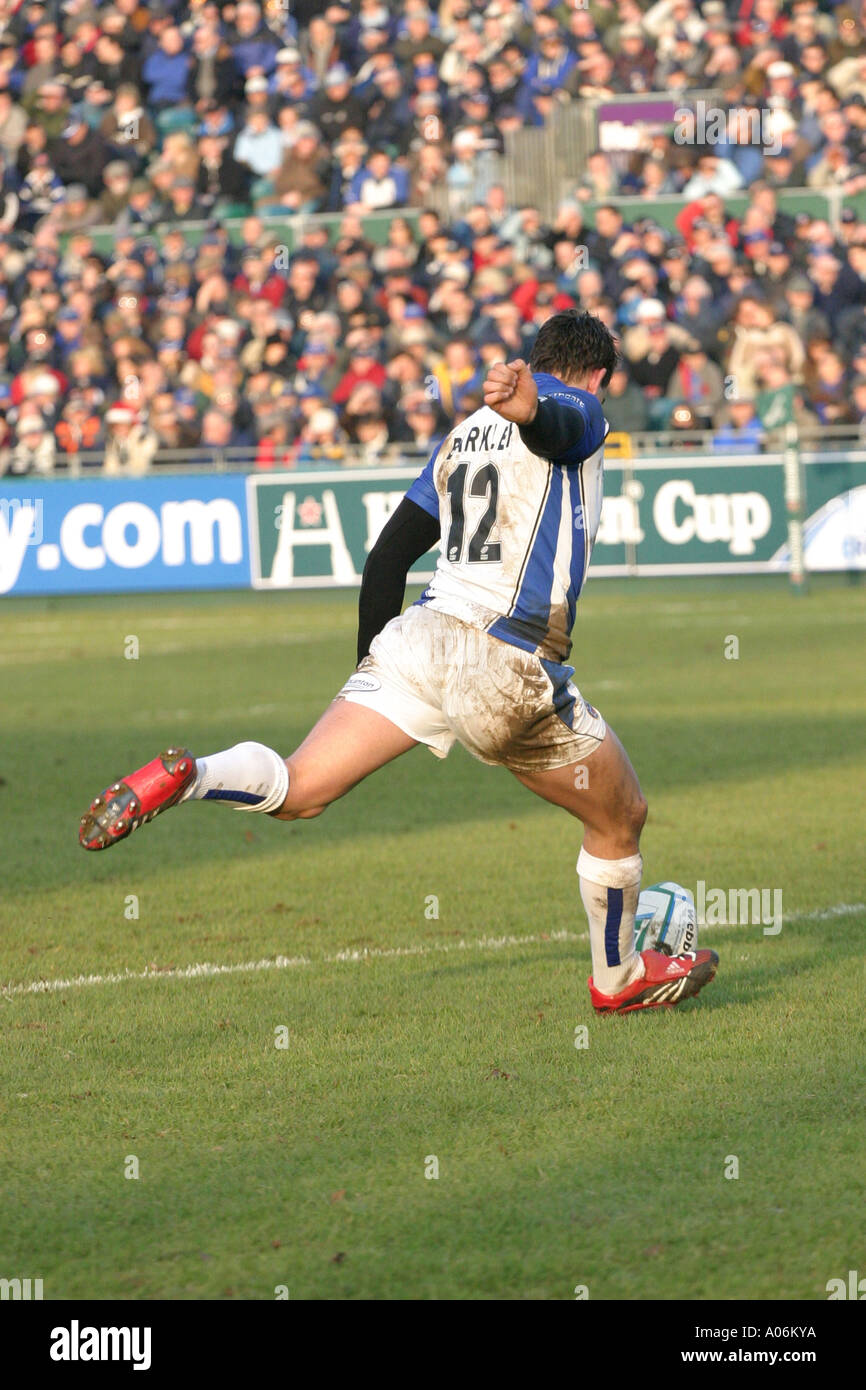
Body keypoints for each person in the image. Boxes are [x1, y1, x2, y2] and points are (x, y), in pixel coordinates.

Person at [78, 311, 718, 1016]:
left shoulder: (464, 432)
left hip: (418, 636)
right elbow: (562, 425)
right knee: (621, 813)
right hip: (503, 659)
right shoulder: (577, 405)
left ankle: (192, 776)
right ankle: (618, 979)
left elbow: (386, 558)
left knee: (300, 791)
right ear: (598, 372)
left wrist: (370, 675)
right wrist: (533, 408)